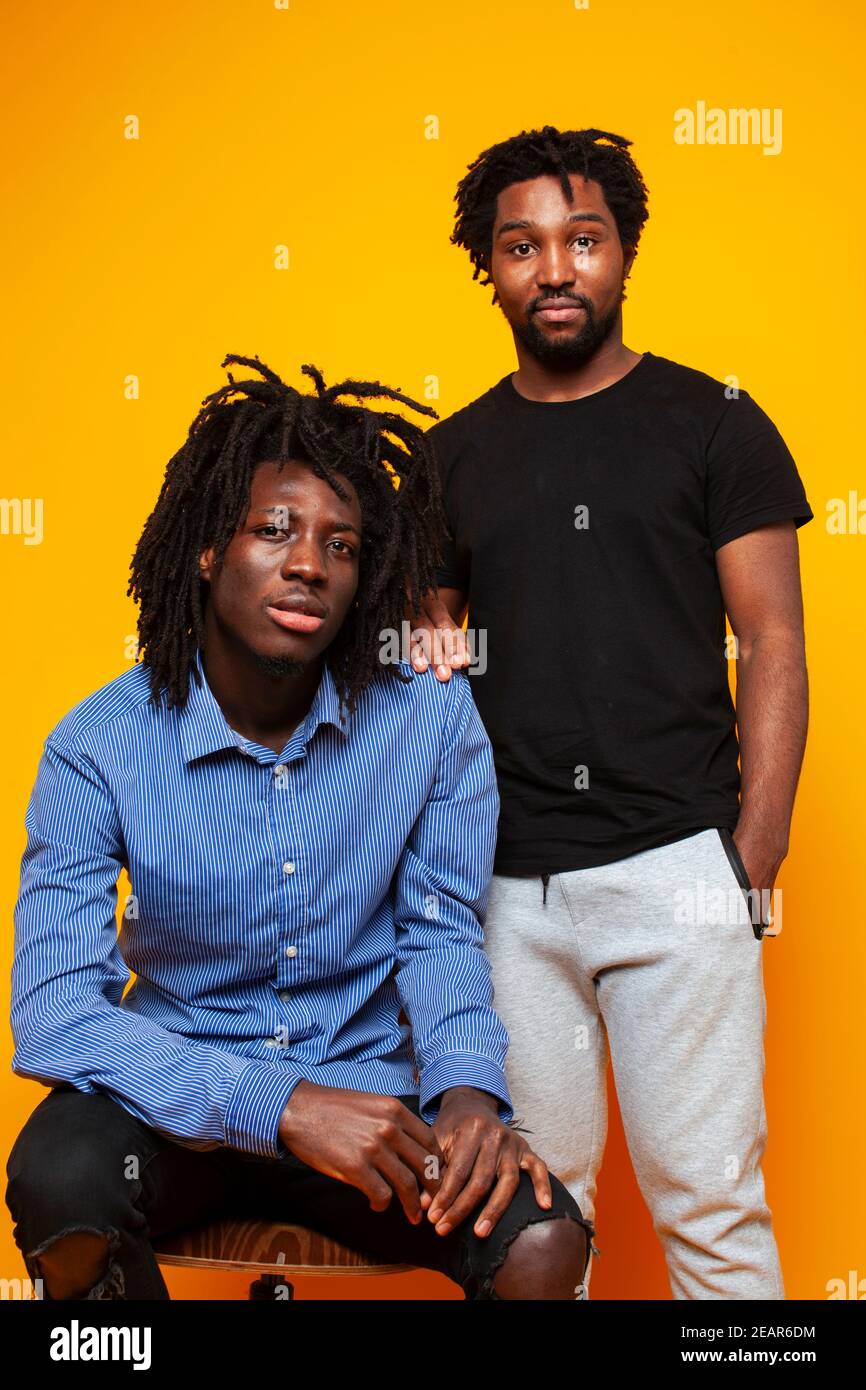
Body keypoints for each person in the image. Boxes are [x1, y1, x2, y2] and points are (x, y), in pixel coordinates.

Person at [5, 353, 595, 1301]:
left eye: (343, 546)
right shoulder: (97, 745)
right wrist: (279, 1105)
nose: (310, 564)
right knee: (61, 1181)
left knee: (538, 1241)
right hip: (170, 1118)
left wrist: (469, 1097)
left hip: (371, 1115)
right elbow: (55, 1013)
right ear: (206, 548)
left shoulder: (430, 720)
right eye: (273, 530)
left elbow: (439, 931)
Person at [408, 126, 812, 1300]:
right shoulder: (446, 457)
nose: (554, 269)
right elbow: (430, 666)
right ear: (487, 267)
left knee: (710, 1201)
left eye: (581, 240)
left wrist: (751, 856)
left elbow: (773, 643)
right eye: (521, 245)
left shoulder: (715, 424)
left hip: (678, 866)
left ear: (623, 251)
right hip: (504, 892)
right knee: (537, 1217)